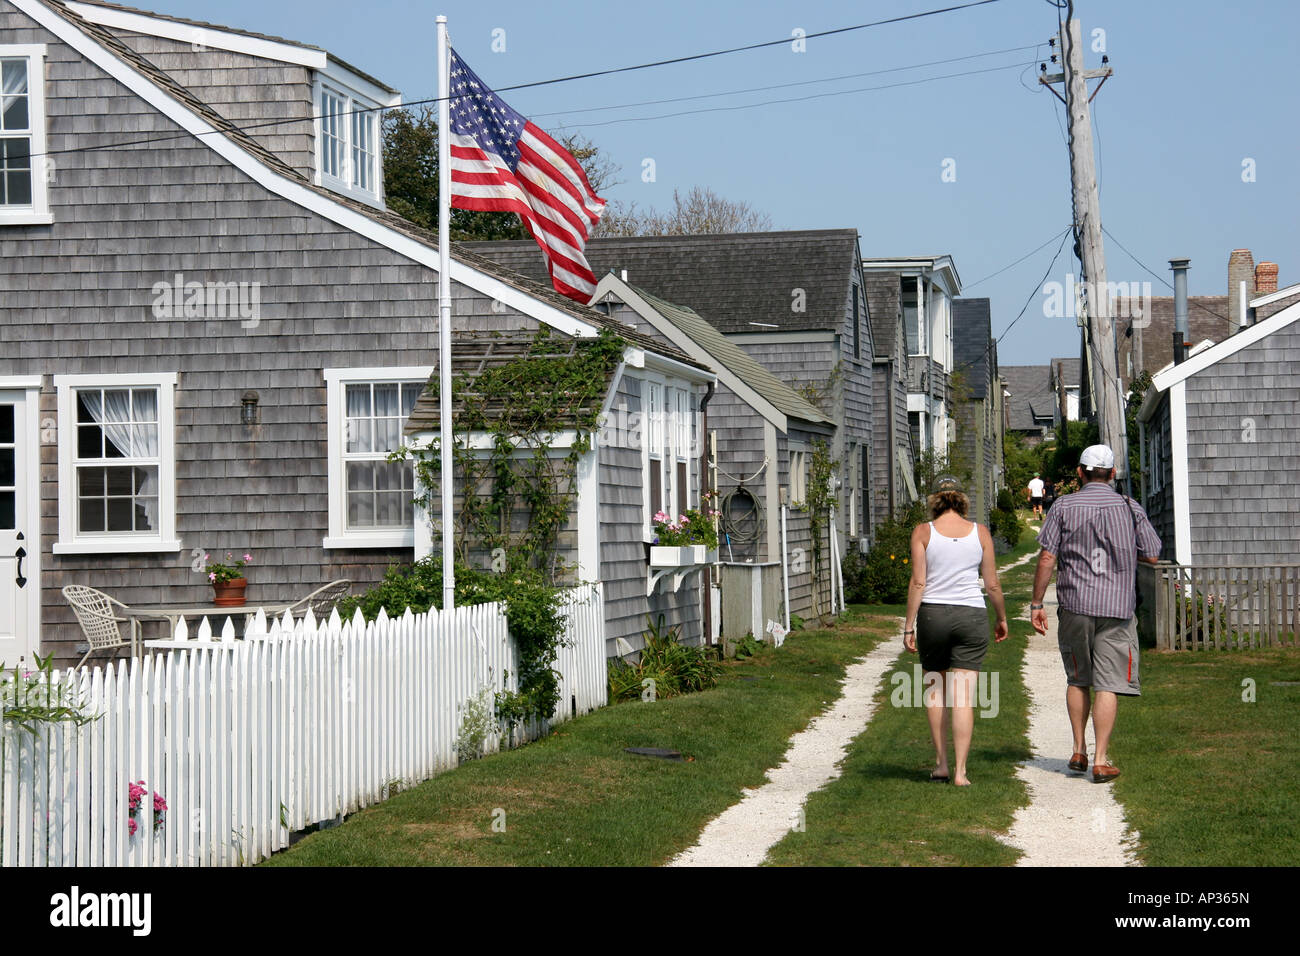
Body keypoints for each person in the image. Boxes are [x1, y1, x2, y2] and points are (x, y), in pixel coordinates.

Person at [1030, 445, 1162, 783]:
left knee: (1078, 678)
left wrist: (1036, 604)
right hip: (1117, 607)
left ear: (1080, 472)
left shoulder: (1062, 506)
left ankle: (1078, 750)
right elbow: (1152, 554)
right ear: (1113, 474)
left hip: (1075, 605)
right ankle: (1101, 759)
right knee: (1109, 683)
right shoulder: (1130, 508)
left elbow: (1047, 558)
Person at [903, 475, 1008, 786]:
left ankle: (941, 765)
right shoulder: (981, 532)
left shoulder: (923, 532)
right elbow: (991, 584)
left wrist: (909, 626)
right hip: (971, 615)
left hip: (933, 615)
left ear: (934, 499)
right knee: (963, 696)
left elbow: (919, 582)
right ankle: (961, 772)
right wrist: (1001, 617)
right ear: (962, 499)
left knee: (936, 690)